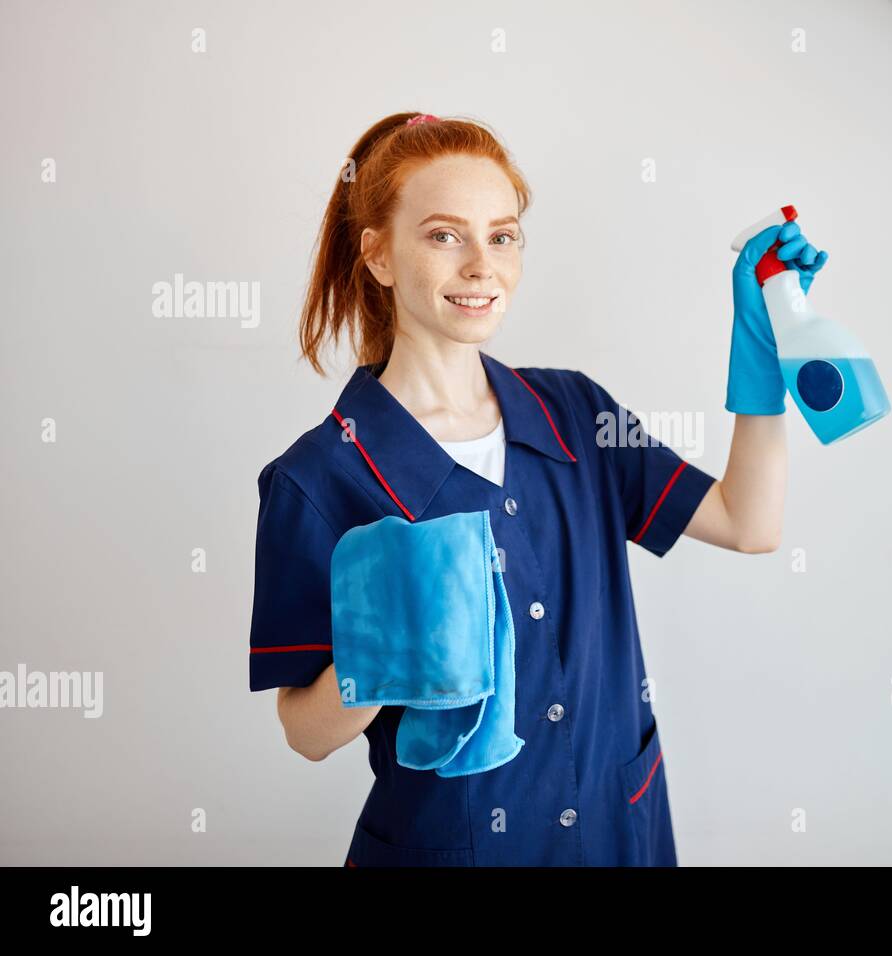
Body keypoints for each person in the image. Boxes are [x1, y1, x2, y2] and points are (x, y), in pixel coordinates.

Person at [247, 112, 827, 866]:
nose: (482, 265)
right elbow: (303, 732)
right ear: (380, 255)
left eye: (503, 235)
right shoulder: (319, 477)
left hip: (616, 832)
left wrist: (760, 351)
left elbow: (749, 522)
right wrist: (379, 660)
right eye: (444, 235)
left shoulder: (576, 414)